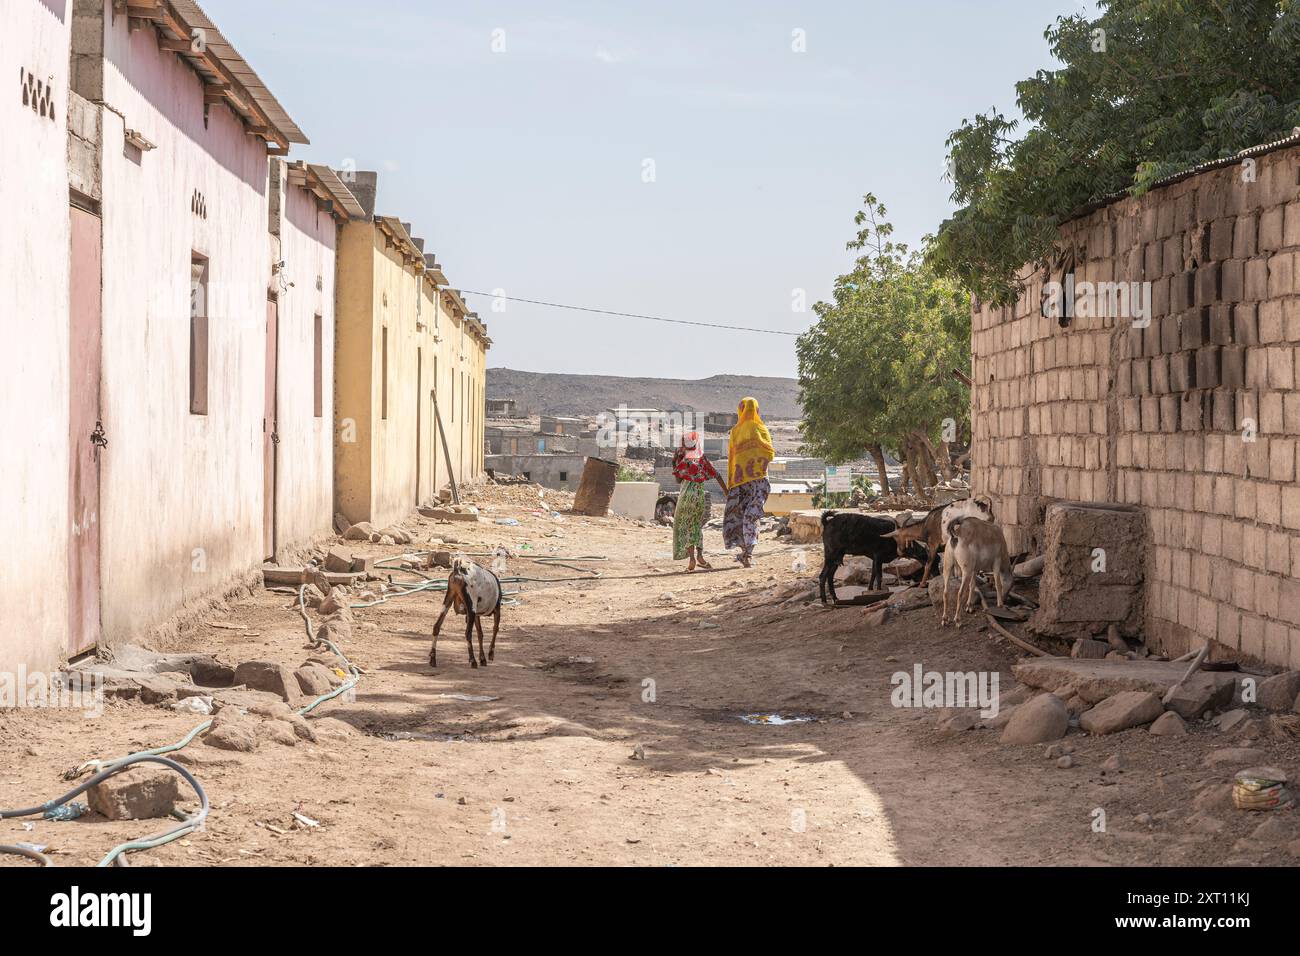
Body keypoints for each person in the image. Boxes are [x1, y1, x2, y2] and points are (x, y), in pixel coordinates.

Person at [723, 397, 775, 567]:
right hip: (759, 481)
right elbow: (770, 453)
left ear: (741, 410)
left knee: (742, 516)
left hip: (740, 482)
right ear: (757, 410)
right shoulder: (762, 428)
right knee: (751, 516)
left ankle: (747, 553)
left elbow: (732, 459)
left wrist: (731, 482)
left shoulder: (735, 432)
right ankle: (748, 553)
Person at [671, 431, 727, 571]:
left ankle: (691, 559)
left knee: (685, 525)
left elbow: (678, 479)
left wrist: (676, 462)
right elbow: (717, 475)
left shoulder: (681, 457)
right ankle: (700, 557)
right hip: (699, 495)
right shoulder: (701, 458)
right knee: (696, 526)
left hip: (686, 495)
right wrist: (727, 492)